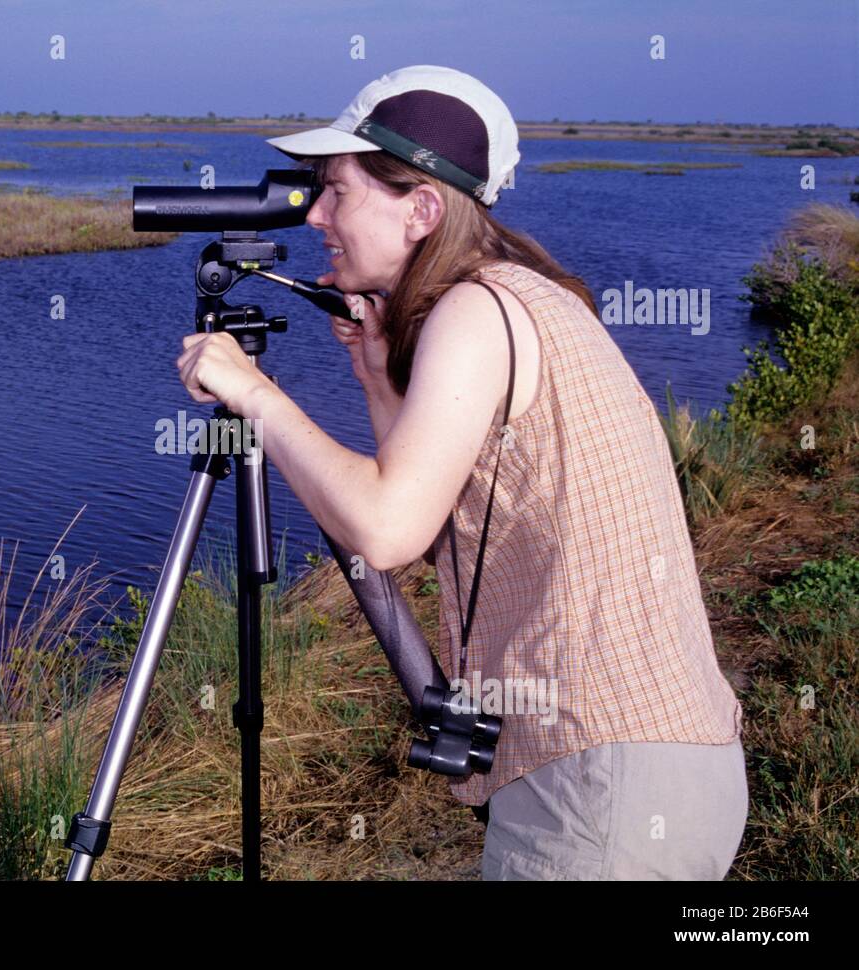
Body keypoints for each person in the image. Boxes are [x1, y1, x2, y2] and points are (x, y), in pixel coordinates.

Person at [174, 65, 747, 880]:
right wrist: (378, 381)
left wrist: (253, 392)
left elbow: (381, 528)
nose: (317, 216)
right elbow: (435, 526)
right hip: (658, 764)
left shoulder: (474, 312)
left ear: (423, 208)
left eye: (336, 191)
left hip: (602, 792)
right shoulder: (525, 300)